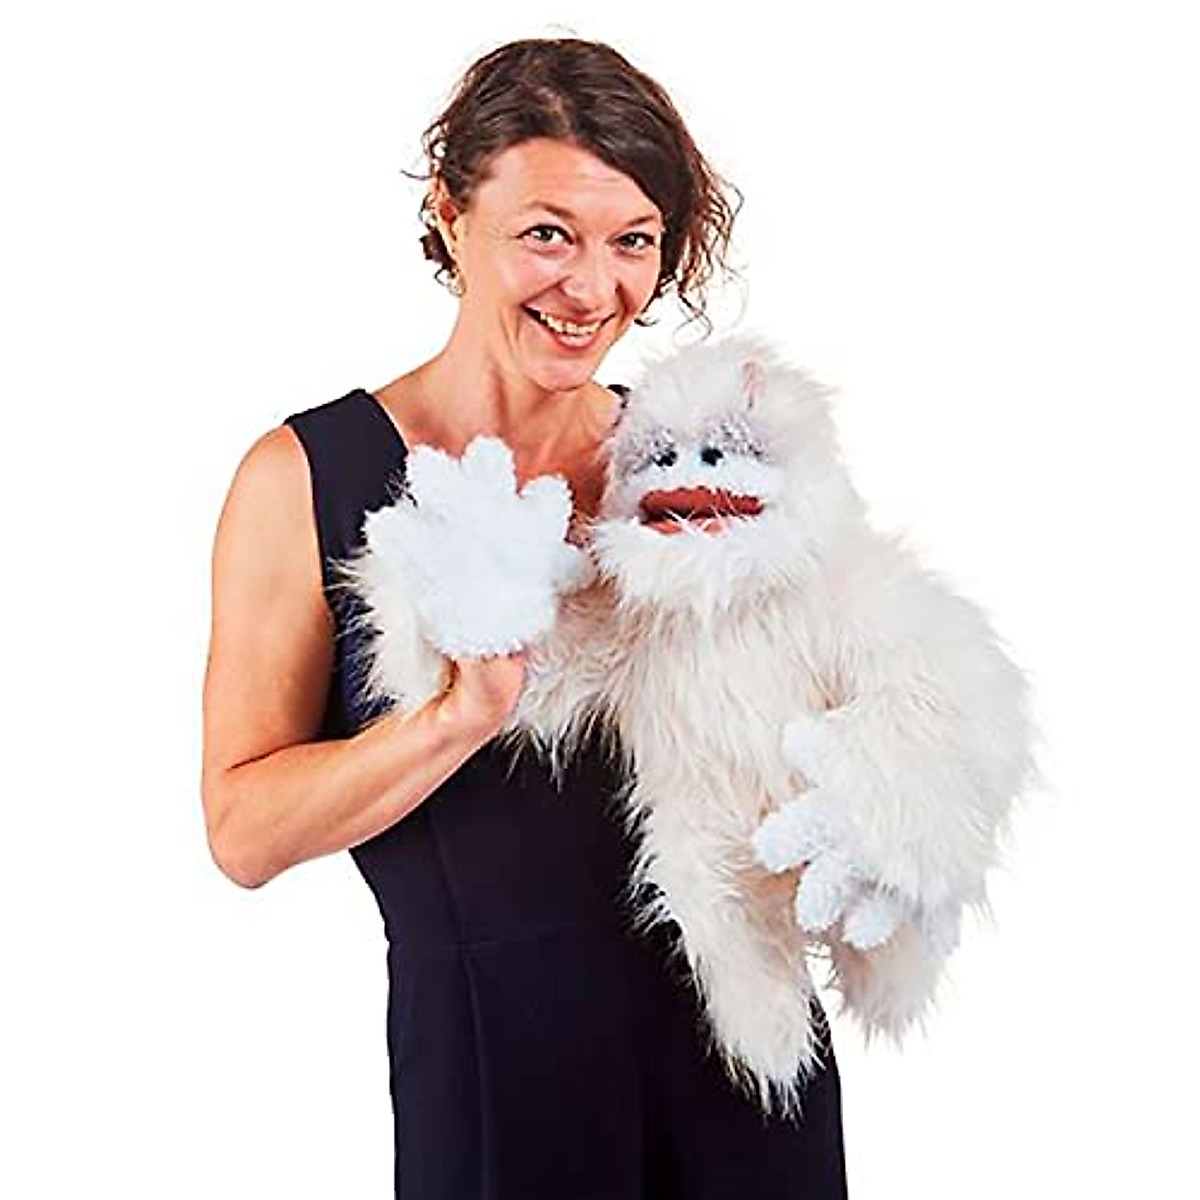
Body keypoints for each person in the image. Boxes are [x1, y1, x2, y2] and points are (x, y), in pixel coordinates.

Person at [202, 37, 849, 1199]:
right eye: (548, 233)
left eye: (633, 241)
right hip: (496, 1073)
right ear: (451, 217)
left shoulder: (701, 461)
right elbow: (243, 831)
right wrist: (458, 718)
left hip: (747, 1055)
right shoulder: (307, 476)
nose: (593, 290)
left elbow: (835, 704)